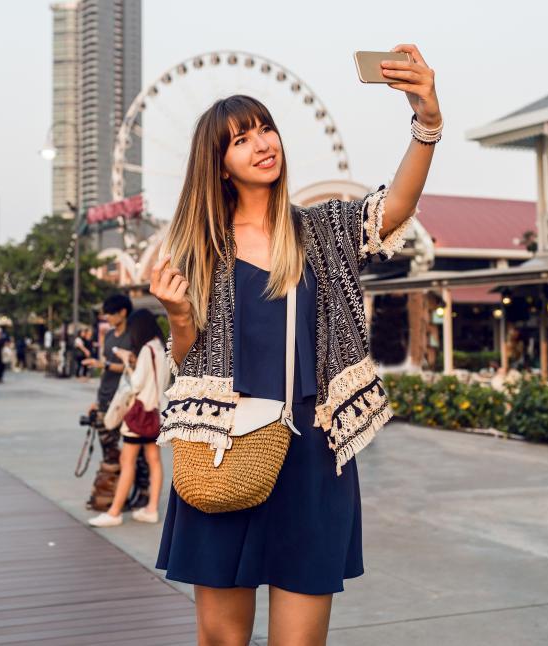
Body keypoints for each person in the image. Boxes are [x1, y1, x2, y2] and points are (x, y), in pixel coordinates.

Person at [151, 46, 440, 646]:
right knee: (221, 639)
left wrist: (427, 122)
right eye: (240, 139)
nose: (262, 143)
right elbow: (188, 363)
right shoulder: (199, 249)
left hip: (313, 452)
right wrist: (179, 315)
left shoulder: (322, 231)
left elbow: (394, 209)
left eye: (266, 129)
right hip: (225, 446)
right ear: (219, 164)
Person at [89, 309, 168, 527]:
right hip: (155, 413)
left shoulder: (145, 350)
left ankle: (114, 512)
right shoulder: (161, 348)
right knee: (154, 461)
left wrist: (127, 362)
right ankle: (151, 509)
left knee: (127, 461)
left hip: (138, 415)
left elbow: (135, 384)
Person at [82, 294, 150, 512]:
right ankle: (111, 494)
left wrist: (106, 365)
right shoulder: (109, 336)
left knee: (135, 452)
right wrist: (96, 401)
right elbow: (106, 370)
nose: (107, 317)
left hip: (128, 402)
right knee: (110, 452)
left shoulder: (135, 336)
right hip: (106, 399)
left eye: (110, 313)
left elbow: (137, 368)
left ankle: (142, 493)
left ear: (123, 312)